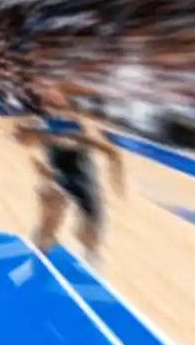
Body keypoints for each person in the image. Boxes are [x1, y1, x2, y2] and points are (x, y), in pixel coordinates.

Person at [14, 78, 125, 261]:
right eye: (49, 98)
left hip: (82, 177)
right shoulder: (40, 124)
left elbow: (110, 151)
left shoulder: (80, 124)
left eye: (56, 96)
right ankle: (41, 250)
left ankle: (89, 253)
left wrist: (116, 175)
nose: (52, 98)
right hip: (57, 174)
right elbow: (23, 140)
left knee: (90, 232)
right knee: (48, 217)